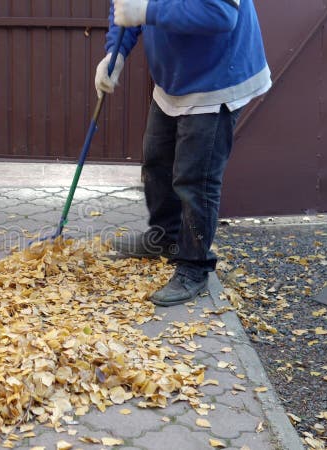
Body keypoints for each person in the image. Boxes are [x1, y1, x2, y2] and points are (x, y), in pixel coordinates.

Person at [97, 0, 271, 306]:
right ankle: (166, 237)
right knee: (157, 160)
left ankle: (195, 265)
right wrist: (116, 52)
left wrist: (147, 11)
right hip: (173, 78)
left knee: (195, 179)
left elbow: (220, 14)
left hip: (217, 77)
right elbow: (125, 6)